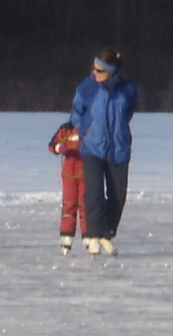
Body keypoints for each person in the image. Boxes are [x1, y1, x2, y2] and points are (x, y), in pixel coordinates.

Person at [70, 47, 138, 256]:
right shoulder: (87, 87)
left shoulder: (128, 88)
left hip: (118, 148)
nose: (94, 73)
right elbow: (77, 112)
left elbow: (128, 112)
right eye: (94, 68)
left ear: (112, 71)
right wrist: (85, 130)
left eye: (99, 70)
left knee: (118, 196)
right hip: (92, 146)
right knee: (94, 193)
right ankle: (93, 233)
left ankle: (106, 233)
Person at [48, 119, 84, 253]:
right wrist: (59, 148)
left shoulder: (90, 127)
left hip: (86, 171)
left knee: (85, 204)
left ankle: (89, 237)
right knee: (69, 204)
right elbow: (53, 144)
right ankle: (66, 237)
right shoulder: (66, 128)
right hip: (69, 172)